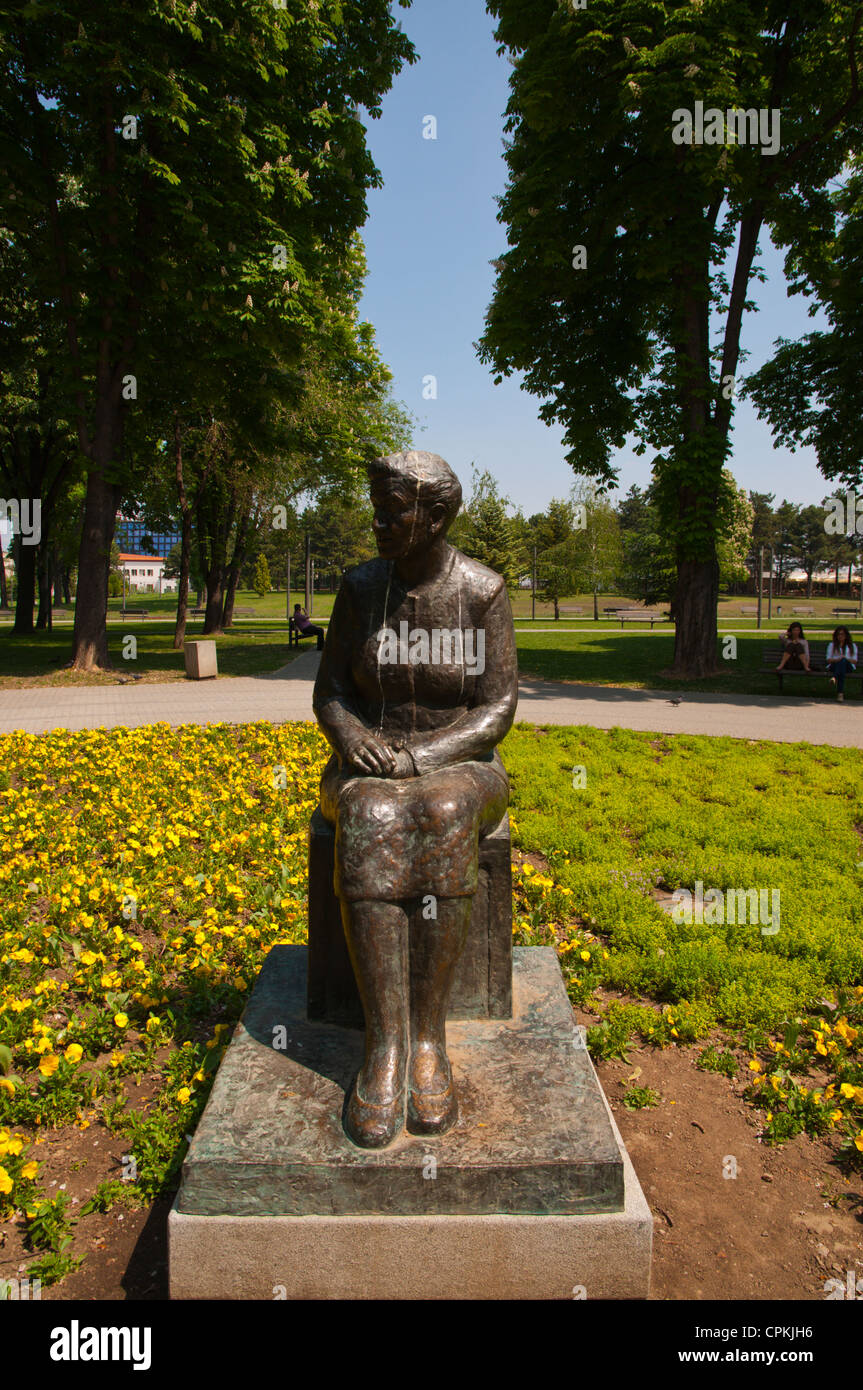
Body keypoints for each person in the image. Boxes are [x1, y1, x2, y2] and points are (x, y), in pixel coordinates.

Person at [313, 451, 518, 1149]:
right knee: (370, 815)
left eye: (391, 509)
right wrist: (349, 737)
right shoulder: (360, 587)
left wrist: (421, 758)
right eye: (375, 506)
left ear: (434, 515)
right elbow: (331, 691)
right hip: (367, 758)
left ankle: (428, 1039)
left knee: (443, 811)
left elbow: (495, 709)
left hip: (459, 759)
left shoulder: (481, 591)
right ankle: (386, 1045)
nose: (378, 521)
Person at [826, 625, 858, 702]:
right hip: (834, 665)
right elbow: (829, 660)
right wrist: (837, 659)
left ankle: (834, 677)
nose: (840, 636)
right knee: (841, 667)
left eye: (842, 634)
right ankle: (840, 694)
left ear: (846, 635)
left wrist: (845, 658)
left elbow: (855, 661)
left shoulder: (852, 646)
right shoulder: (832, 645)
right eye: (838, 634)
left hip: (848, 666)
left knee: (843, 662)